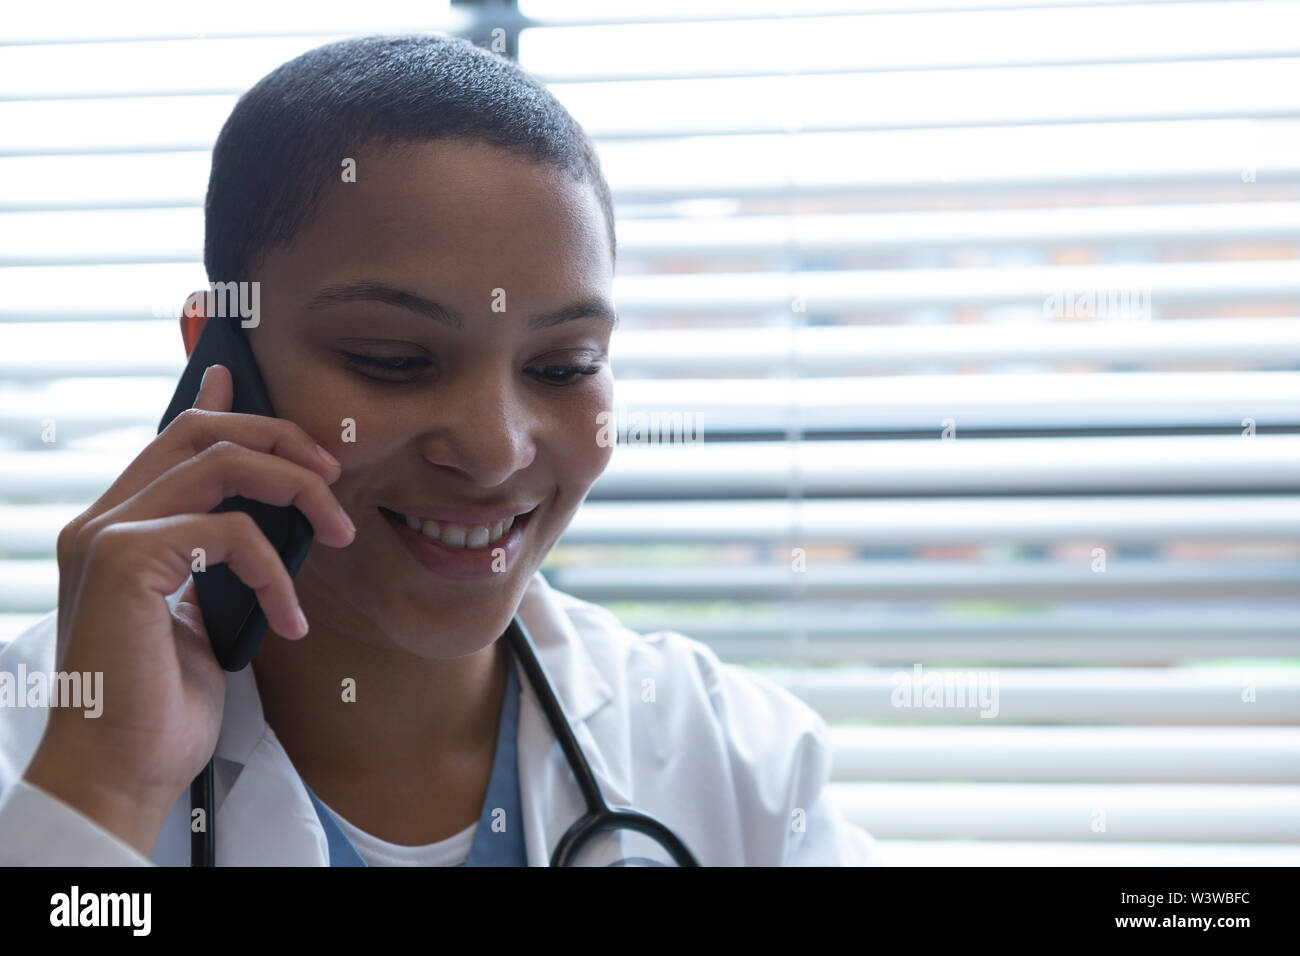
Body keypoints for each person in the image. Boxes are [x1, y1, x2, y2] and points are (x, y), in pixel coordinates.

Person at [0, 34, 877, 866]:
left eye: (562, 366)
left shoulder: (739, 761)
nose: (496, 450)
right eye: (394, 360)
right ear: (215, 356)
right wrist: (101, 787)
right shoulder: (38, 748)